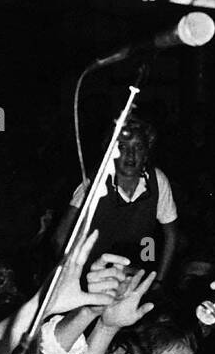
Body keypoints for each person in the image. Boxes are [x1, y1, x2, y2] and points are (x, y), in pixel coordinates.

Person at [52, 115, 179, 280]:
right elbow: (60, 237)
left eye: (138, 147)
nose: (131, 155)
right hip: (91, 274)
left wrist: (158, 281)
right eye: (123, 147)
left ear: (146, 153)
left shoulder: (157, 181)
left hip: (131, 273)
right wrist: (74, 276)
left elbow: (171, 235)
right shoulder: (95, 183)